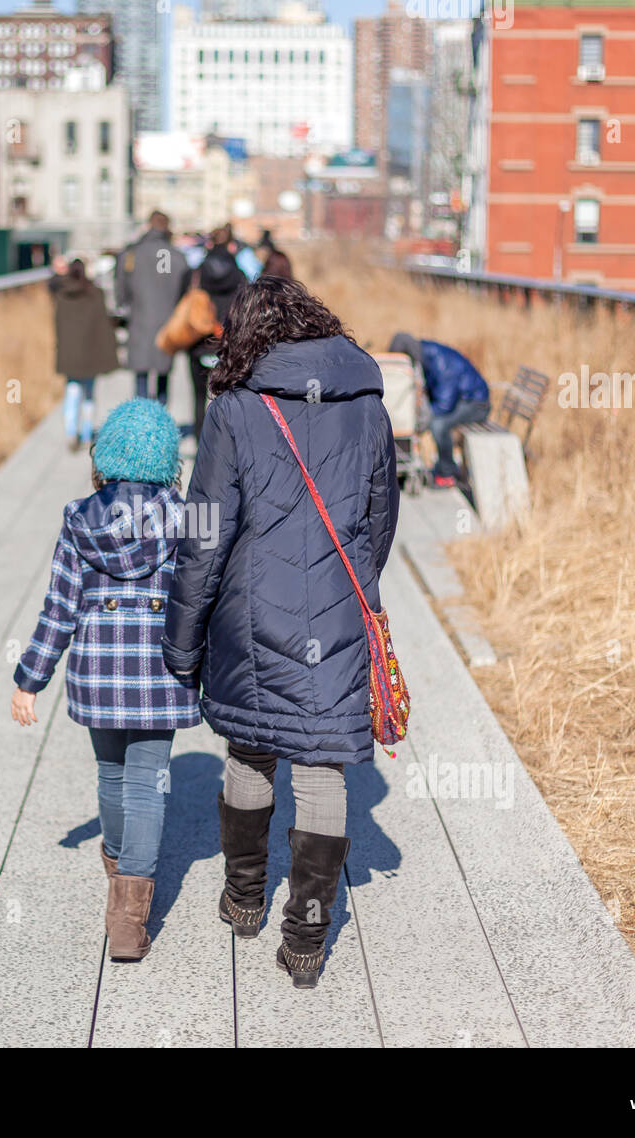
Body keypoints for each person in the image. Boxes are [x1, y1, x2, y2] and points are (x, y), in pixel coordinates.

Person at [163, 277, 400, 990]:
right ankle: (306, 936)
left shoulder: (236, 406)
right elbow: (381, 515)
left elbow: (205, 535)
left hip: (249, 609)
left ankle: (243, 898)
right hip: (336, 609)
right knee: (323, 766)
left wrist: (182, 636)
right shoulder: (365, 401)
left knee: (252, 750)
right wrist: (351, 576)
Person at [11, 399, 200, 963]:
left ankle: (118, 867)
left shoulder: (78, 519)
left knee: (111, 774)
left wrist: (30, 679)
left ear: (104, 457)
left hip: (97, 674)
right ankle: (127, 917)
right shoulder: (189, 519)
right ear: (168, 462)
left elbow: (58, 609)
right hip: (162, 674)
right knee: (147, 782)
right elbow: (202, 599)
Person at [388, 332, 491, 488]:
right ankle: (444, 466)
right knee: (432, 421)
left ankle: (447, 473)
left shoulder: (440, 362)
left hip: (476, 404)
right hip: (462, 400)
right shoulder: (424, 353)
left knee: (438, 425)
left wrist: (421, 422)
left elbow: (444, 405)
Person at [116, 211, 190, 405]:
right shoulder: (178, 256)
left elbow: (121, 292)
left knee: (140, 376)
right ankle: (161, 421)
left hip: (140, 322)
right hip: (167, 325)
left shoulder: (132, 254)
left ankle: (142, 423)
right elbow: (185, 292)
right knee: (163, 377)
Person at [187, 224, 248, 437]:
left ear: (210, 243)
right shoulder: (240, 275)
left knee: (197, 395)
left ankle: (198, 439)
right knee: (228, 396)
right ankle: (222, 440)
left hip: (199, 341)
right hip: (227, 345)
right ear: (231, 245)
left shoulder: (197, 274)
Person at [52, 259, 119, 452]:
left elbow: (58, 325)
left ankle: (71, 432)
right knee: (89, 394)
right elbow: (103, 325)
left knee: (72, 392)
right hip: (91, 353)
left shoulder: (62, 295)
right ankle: (88, 433)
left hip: (70, 353)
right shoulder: (95, 293)